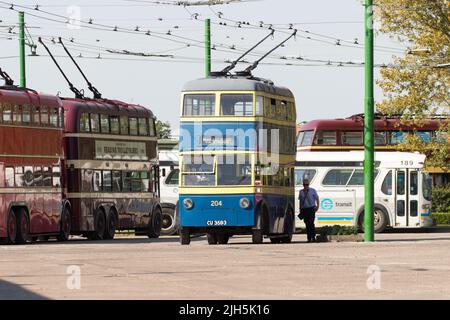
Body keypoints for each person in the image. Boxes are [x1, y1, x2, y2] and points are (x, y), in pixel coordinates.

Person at [298, 178, 319, 243]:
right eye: (304, 184)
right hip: (304, 209)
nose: (305, 186)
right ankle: (309, 238)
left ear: (308, 184)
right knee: (307, 224)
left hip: (311, 208)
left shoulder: (312, 190)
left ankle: (313, 237)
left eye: (307, 184)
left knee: (311, 223)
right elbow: (300, 201)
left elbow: (317, 198)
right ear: (303, 185)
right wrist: (300, 209)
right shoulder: (301, 191)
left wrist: (317, 206)